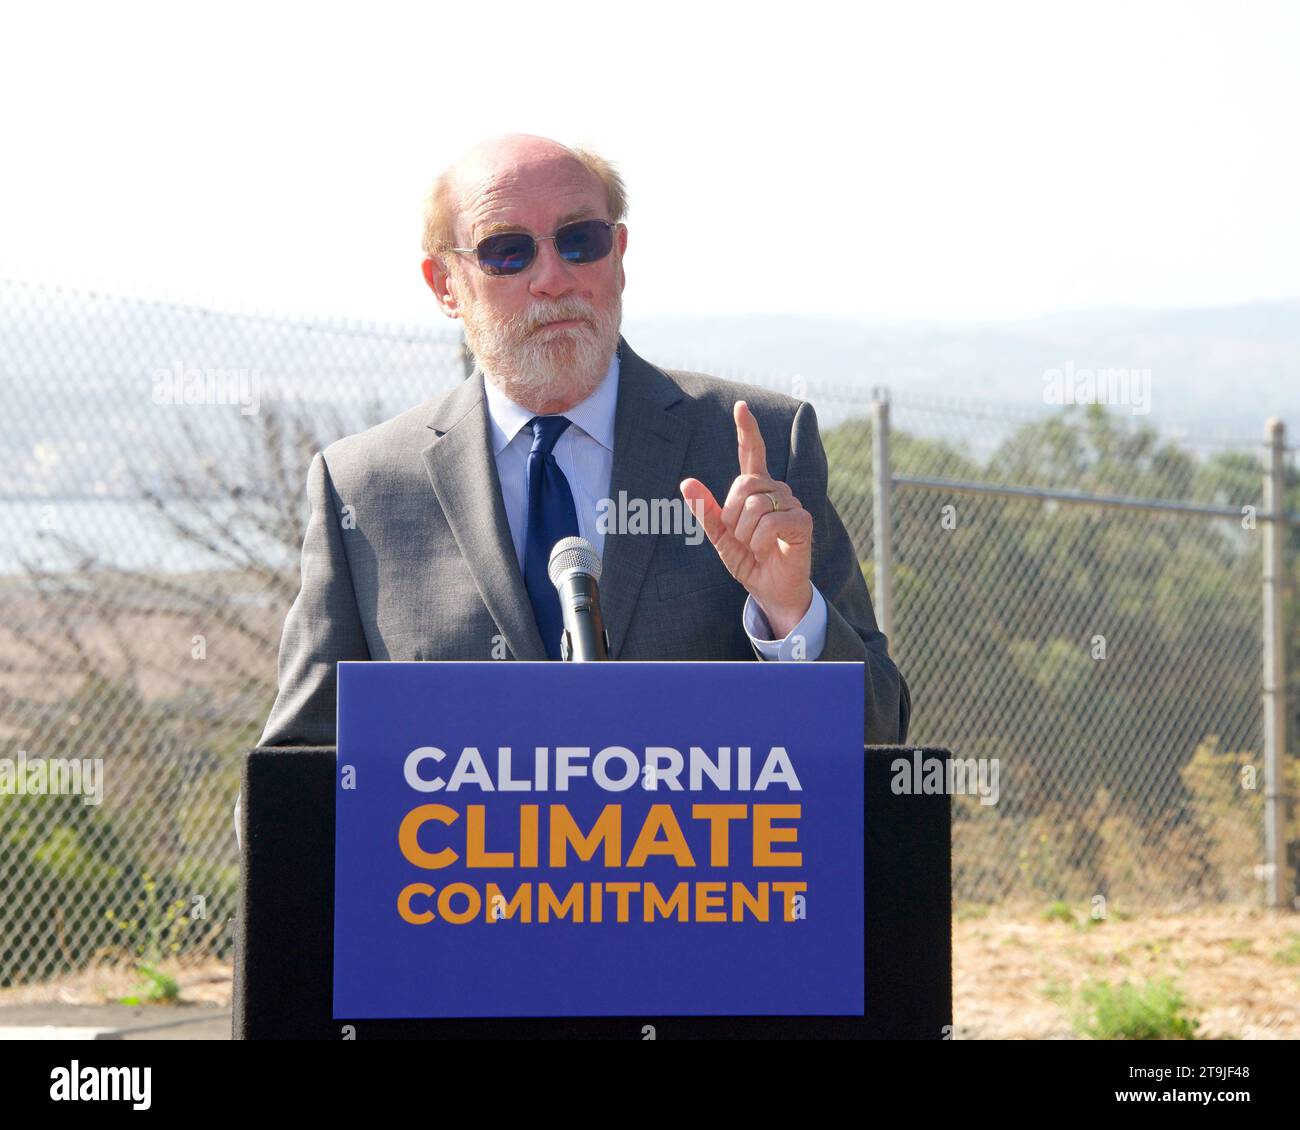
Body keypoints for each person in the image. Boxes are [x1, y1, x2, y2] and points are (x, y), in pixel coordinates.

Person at [251, 133, 909, 778]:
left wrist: (791, 617)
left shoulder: (756, 449)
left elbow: (878, 735)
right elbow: (295, 775)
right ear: (445, 284)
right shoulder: (363, 490)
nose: (553, 277)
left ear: (618, 255)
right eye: (507, 252)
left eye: (579, 241)